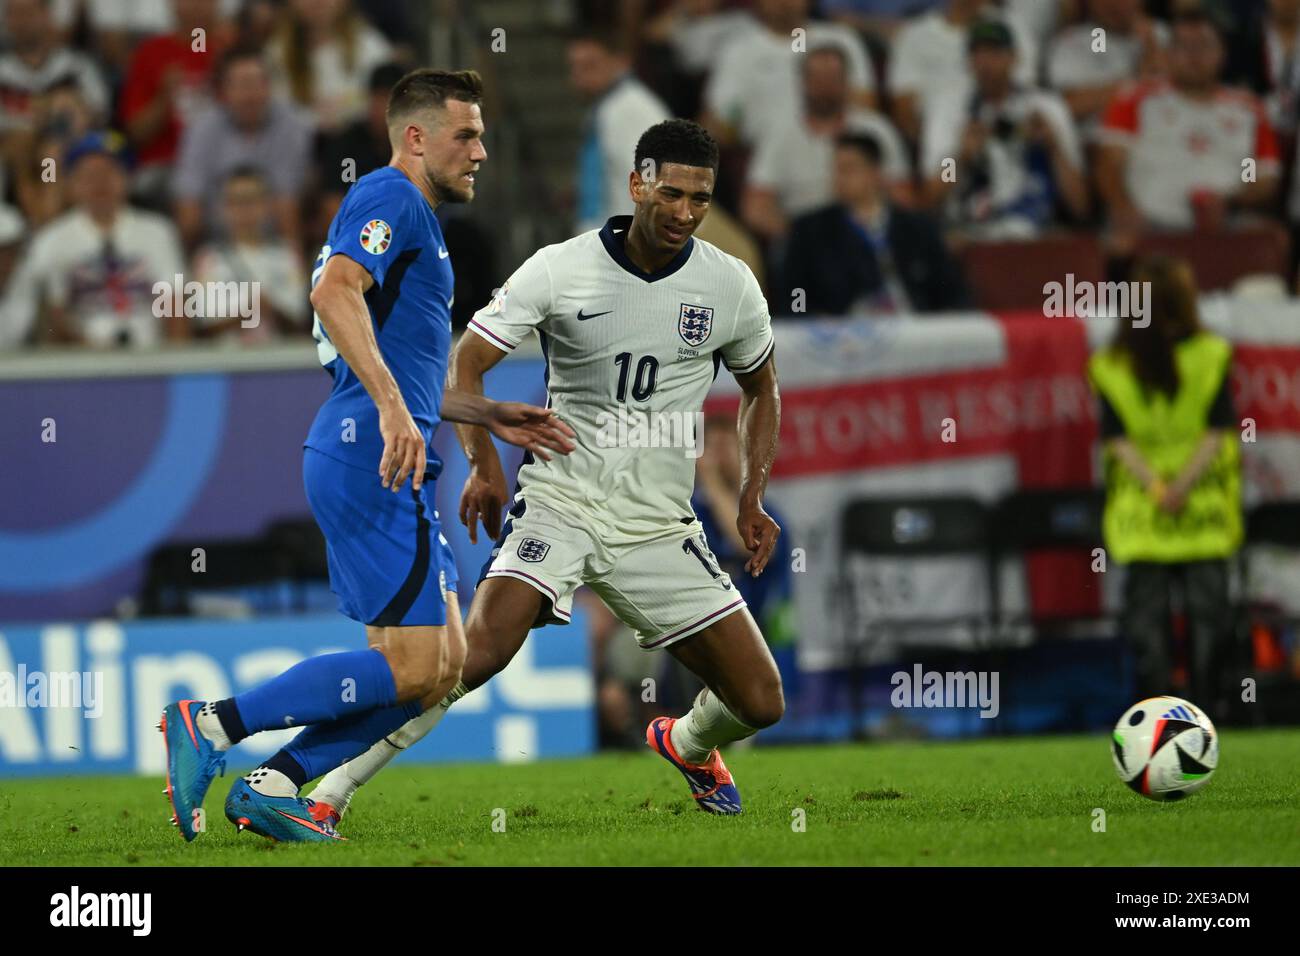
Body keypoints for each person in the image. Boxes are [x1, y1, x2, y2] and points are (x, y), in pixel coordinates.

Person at [307, 119, 785, 822]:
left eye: (700, 199)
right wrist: (483, 465)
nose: (685, 212)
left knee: (761, 701)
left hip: (658, 525)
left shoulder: (729, 284)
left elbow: (761, 388)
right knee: (475, 655)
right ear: (637, 185)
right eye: (671, 194)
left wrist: (752, 493)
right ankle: (329, 791)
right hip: (561, 503)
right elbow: (467, 361)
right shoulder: (561, 268)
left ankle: (686, 743)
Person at [159, 69, 575, 844]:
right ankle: (212, 723)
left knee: (439, 668)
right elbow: (334, 293)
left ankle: (273, 785)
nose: (481, 152)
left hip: (371, 450)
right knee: (418, 668)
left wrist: (483, 412)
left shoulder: (412, 217)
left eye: (483, 136)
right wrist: (392, 408)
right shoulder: (391, 197)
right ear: (416, 138)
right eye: (466, 135)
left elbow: (390, 360)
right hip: (371, 455)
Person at [1087, 256, 1242, 713]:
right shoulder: (1209, 354)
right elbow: (1217, 431)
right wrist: (1179, 488)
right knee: (1204, 617)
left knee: (1152, 622)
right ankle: (1204, 711)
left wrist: (1159, 489)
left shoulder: (1113, 363)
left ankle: (1162, 714)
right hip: (1198, 504)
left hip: (1148, 507)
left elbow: (1117, 440)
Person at [1098, 10, 1279, 245]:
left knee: (1271, 238)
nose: (1194, 55)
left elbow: (1258, 177)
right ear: (1168, 53)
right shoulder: (1134, 99)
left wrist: (1233, 200)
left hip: (1225, 225)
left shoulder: (1248, 110)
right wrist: (1123, 208)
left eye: (1204, 45)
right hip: (1150, 224)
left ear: (1222, 53)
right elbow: (1109, 165)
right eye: (1183, 46)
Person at [1, 130, 186, 347]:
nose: (100, 183)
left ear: (127, 178)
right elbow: (50, 315)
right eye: (89, 175)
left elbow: (175, 305)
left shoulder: (158, 231)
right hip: (81, 358)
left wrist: (175, 359)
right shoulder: (51, 240)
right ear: (72, 184)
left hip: (151, 354)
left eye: (109, 172)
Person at [922, 17, 1087, 239]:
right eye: (977, 54)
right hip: (970, 233)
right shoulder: (949, 110)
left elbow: (1080, 206)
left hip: (1036, 233)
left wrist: (1053, 149)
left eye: (994, 53)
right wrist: (959, 158)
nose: (985, 63)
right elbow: (930, 198)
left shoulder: (1046, 107)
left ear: (1015, 58)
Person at [780, 133, 970, 316]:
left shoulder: (918, 228)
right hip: (842, 332)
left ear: (875, 173)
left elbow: (952, 291)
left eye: (848, 169)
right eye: (836, 170)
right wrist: (813, 319)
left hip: (915, 328)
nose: (839, 178)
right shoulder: (810, 232)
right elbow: (793, 297)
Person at [172, 46, 313, 249]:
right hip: (215, 241)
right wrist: (192, 259)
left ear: (269, 86)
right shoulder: (202, 129)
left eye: (257, 83)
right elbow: (189, 200)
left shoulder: (291, 125)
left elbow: (286, 203)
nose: (250, 95)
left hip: (272, 241)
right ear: (223, 91)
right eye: (241, 85)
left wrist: (292, 261)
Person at [567, 27, 670, 234]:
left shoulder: (631, 109)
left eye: (590, 66)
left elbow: (654, 182)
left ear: (620, 62)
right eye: (574, 67)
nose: (579, 76)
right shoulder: (606, 107)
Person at [191, 166, 308, 343]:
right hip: (225, 354)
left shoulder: (289, 255)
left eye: (252, 200)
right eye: (236, 201)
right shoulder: (207, 258)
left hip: (281, 354)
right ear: (222, 208)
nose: (244, 209)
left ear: (268, 205)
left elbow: (301, 321)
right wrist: (249, 312)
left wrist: (270, 310)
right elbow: (203, 327)